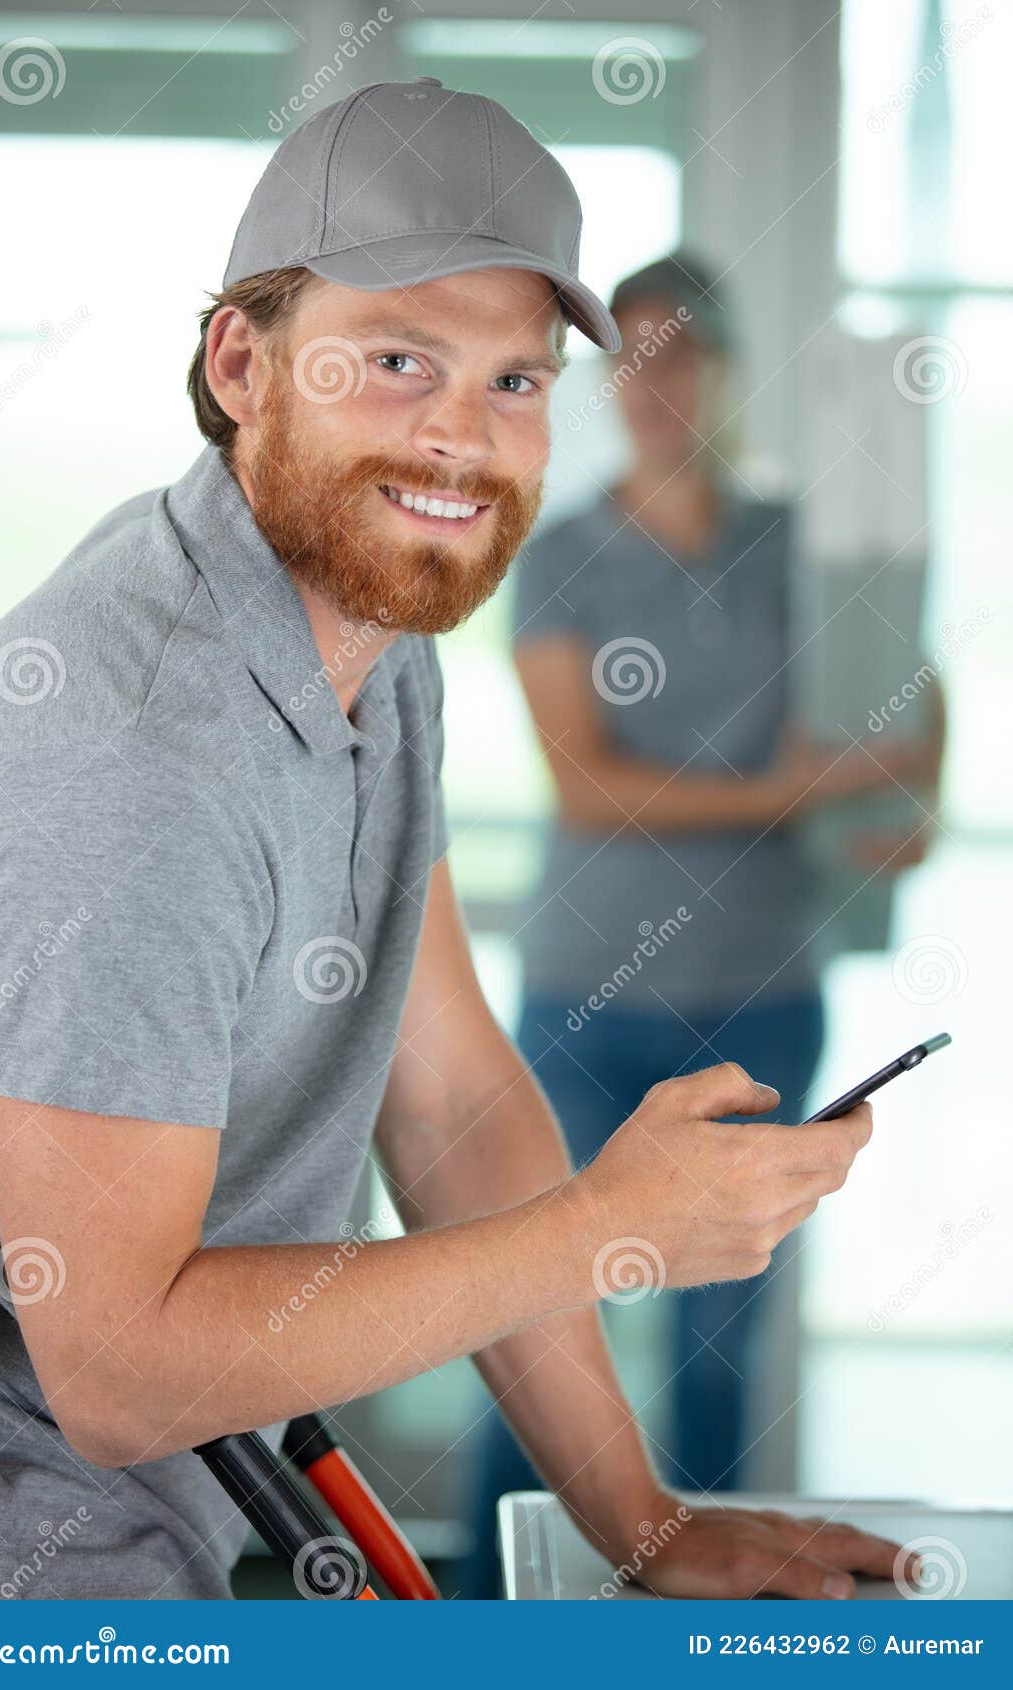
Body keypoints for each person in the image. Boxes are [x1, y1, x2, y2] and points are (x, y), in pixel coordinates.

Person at [0, 89, 921, 1602]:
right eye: (399, 360)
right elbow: (119, 1369)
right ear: (240, 364)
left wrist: (643, 1521)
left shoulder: (370, 631)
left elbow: (454, 1094)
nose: (462, 436)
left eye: (515, 378)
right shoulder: (133, 758)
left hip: (147, 1523)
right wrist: (603, 1231)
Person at [464, 253, 943, 1593]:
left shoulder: (796, 543)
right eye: (630, 355)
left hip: (759, 995)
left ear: (728, 372)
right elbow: (588, 784)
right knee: (541, 1323)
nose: (654, 383)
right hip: (584, 1003)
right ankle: (496, 1622)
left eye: (682, 353)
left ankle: (719, 1623)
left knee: (723, 1344)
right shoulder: (559, 554)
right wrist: (810, 787)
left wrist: (916, 794)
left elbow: (913, 685)